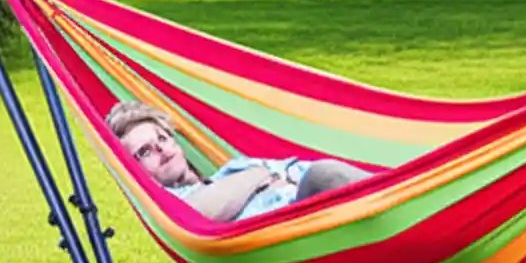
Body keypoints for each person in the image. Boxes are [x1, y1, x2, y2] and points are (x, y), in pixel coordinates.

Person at [106, 101, 372, 222]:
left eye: (162, 138)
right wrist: (259, 176)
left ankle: (402, 194)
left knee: (327, 174)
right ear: (134, 170)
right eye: (145, 152)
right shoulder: (173, 205)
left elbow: (297, 169)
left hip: (335, 208)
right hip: (295, 225)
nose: (161, 150)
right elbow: (199, 214)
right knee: (324, 175)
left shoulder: (234, 168)